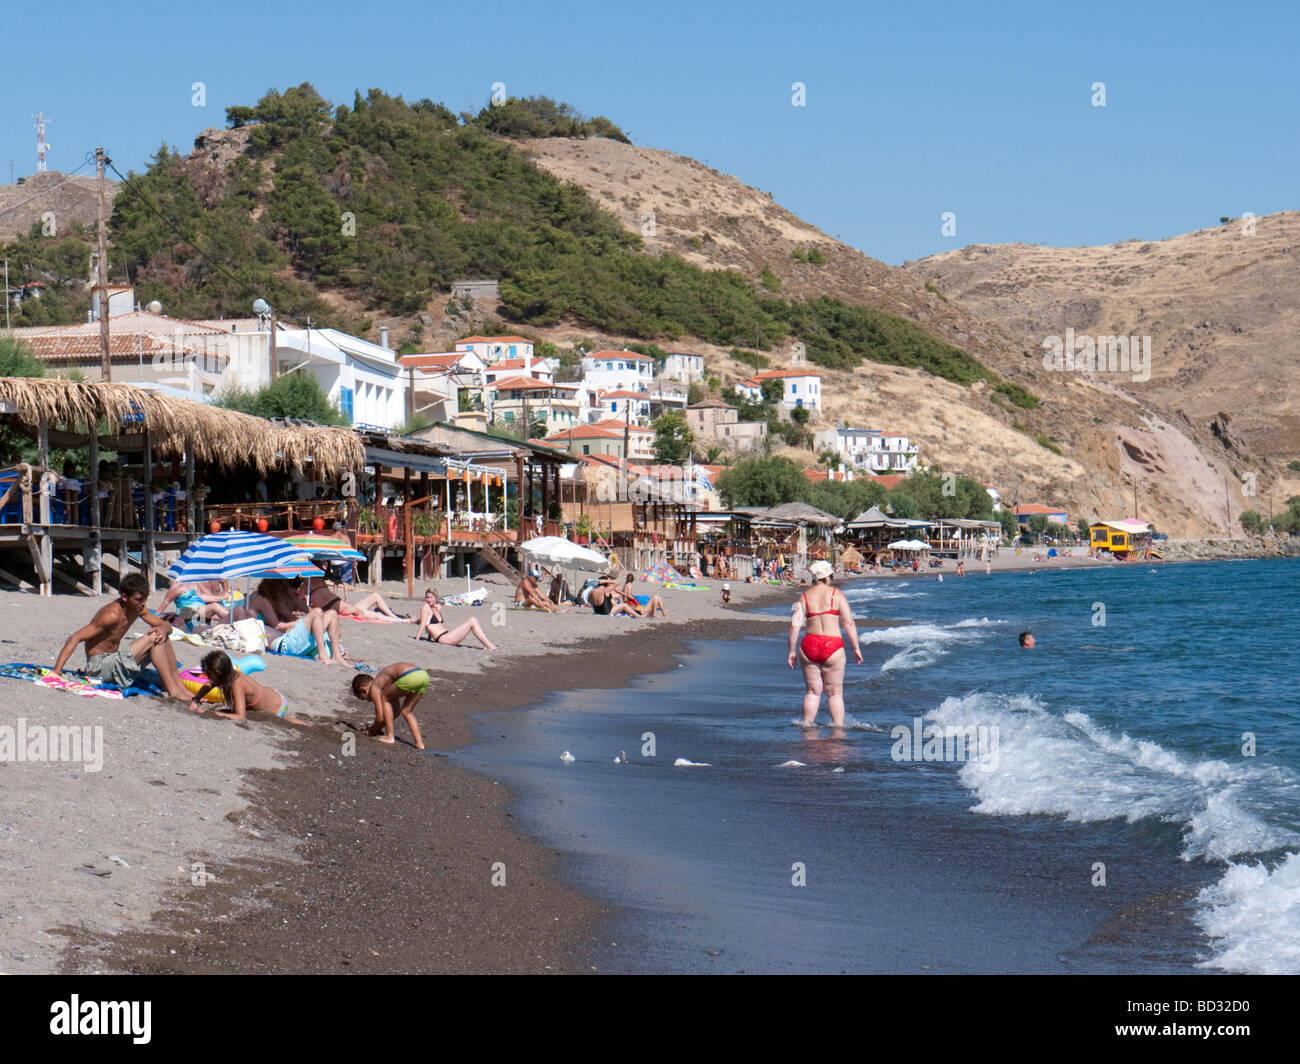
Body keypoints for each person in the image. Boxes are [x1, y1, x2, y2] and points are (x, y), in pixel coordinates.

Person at [51, 573, 191, 699]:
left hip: (115, 658)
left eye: (145, 599)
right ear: (124, 597)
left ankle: (180, 688)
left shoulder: (138, 608)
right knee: (155, 636)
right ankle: (174, 692)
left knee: (161, 635)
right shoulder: (111, 615)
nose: (143, 604)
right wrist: (56, 672)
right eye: (139, 600)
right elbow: (74, 638)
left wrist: (164, 630)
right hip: (99, 667)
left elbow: (165, 625)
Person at [788, 559, 862, 726]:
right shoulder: (837, 594)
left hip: (809, 645)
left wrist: (792, 651)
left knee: (813, 692)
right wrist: (856, 648)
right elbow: (848, 622)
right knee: (834, 693)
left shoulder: (804, 597)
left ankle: (807, 726)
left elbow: (795, 625)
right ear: (828, 577)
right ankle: (837, 730)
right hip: (832, 645)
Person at [187, 650, 307, 726]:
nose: (208, 677)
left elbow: (240, 716)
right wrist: (196, 699)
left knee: (285, 720)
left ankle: (307, 727)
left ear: (220, 672)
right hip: (272, 695)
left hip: (276, 706)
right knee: (286, 719)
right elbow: (209, 684)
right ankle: (307, 725)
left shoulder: (237, 684)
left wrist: (210, 712)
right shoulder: (229, 673)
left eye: (210, 674)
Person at [244, 579, 346, 663]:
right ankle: (322, 654)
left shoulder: (276, 600)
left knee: (332, 613)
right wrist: (300, 622)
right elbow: (277, 625)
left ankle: (337, 656)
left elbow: (300, 613)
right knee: (317, 612)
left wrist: (297, 600)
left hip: (289, 639)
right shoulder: (262, 601)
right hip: (285, 644)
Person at [352, 665, 426, 749]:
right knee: (406, 711)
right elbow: (395, 712)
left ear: (363, 690)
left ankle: (390, 736)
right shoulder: (388, 686)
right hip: (422, 675)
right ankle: (419, 743)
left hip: (409, 676)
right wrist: (376, 728)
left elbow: (380, 717)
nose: (369, 700)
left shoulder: (374, 687)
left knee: (384, 698)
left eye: (365, 698)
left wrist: (372, 731)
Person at [413, 589, 499, 649]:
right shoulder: (425, 607)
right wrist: (417, 639)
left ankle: (485, 644)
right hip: (443, 638)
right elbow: (424, 623)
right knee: (472, 620)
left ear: (436, 598)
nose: (429, 599)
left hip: (447, 635)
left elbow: (431, 625)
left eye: (431, 597)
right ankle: (488, 645)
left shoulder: (436, 607)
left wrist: (429, 639)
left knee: (473, 620)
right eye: (427, 597)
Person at [308, 576, 405, 621]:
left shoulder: (314, 584)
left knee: (376, 596)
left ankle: (394, 617)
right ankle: (402, 620)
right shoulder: (314, 585)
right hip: (343, 608)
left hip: (343, 607)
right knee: (376, 615)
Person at [161, 578, 231, 625]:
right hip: (186, 612)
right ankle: (237, 624)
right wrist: (158, 613)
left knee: (220, 614)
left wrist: (223, 593)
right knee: (215, 607)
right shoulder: (179, 584)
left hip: (196, 611)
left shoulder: (194, 582)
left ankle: (235, 623)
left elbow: (203, 596)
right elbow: (167, 600)